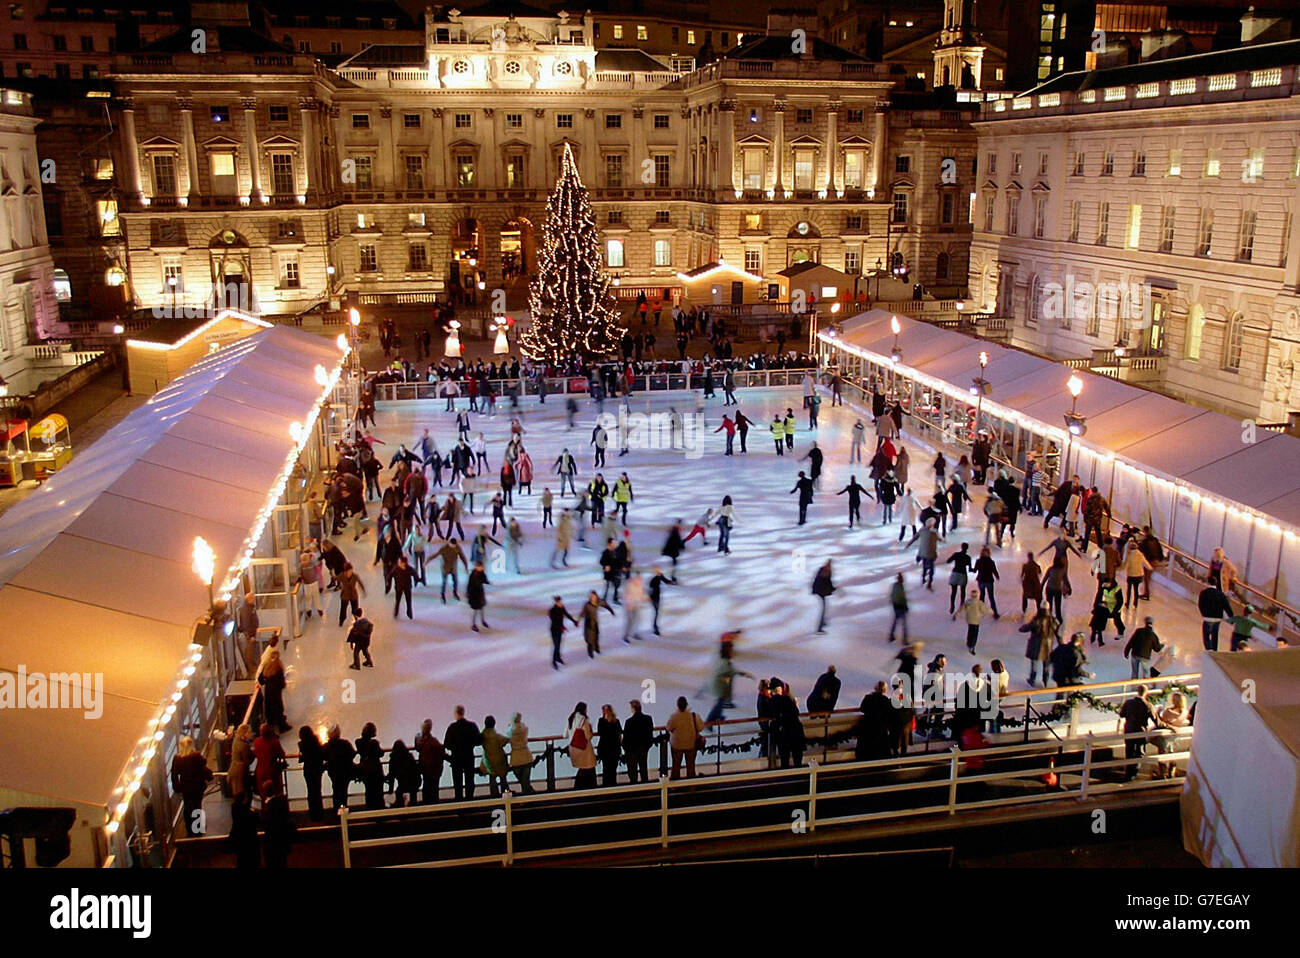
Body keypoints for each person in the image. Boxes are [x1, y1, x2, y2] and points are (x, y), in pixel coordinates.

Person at [171, 736, 214, 836]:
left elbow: (174, 774)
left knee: (187, 807)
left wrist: (177, 788)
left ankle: (189, 830)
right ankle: (198, 829)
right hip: (197, 787)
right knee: (197, 806)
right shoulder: (196, 756)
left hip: (185, 788)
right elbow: (203, 768)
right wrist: (209, 777)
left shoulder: (177, 758)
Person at [1117, 685, 1160, 781]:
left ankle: (1128, 772)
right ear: (1146, 693)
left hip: (1129, 729)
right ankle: (1134, 772)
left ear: (1137, 692)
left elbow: (1121, 714)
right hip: (1140, 730)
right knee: (1139, 752)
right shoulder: (1148, 705)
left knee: (1129, 751)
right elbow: (1156, 721)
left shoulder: (1128, 702)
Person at [444, 705, 482, 800]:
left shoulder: (452, 727)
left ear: (456, 714)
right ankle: (469, 800)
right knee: (469, 780)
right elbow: (478, 741)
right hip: (468, 757)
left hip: (456, 759)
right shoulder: (471, 726)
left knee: (458, 783)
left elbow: (447, 744)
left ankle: (459, 802)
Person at [666, 696, 705, 779]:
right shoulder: (693, 716)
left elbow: (668, 728)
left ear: (677, 705)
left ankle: (675, 785)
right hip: (691, 745)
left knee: (676, 766)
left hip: (677, 746)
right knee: (691, 766)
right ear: (687, 705)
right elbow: (701, 727)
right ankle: (691, 786)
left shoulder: (674, 716)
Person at [1019, 606, 1058, 687]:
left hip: (1036, 645)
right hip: (1048, 645)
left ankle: (1032, 680)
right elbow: (1057, 629)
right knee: (1046, 664)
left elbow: (1024, 629)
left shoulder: (1037, 620)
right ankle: (1045, 681)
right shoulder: (1053, 620)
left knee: (1035, 664)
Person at [772, 683, 806, 769]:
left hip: (786, 732)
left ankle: (786, 775)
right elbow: (796, 712)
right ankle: (798, 774)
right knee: (797, 756)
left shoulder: (776, 701)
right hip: (795, 731)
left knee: (785, 757)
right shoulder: (788, 700)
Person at [322, 724, 356, 811]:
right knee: (344, 791)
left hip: (333, 772)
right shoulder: (345, 743)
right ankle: (343, 808)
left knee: (336, 790)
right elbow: (352, 754)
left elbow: (323, 756)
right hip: (346, 771)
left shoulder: (326, 746)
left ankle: (337, 809)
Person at [414, 719, 446, 803]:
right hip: (435, 769)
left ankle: (426, 806)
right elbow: (442, 754)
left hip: (425, 769)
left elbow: (417, 747)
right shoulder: (434, 742)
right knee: (434, 789)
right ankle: (434, 806)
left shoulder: (419, 740)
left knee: (426, 788)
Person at [258, 649, 290, 734]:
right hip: (276, 692)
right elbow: (281, 682)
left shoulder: (266, 666)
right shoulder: (278, 668)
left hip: (268, 692)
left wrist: (266, 682)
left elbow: (260, 679)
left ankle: (270, 730)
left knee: (270, 710)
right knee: (278, 709)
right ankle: (282, 727)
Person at [354, 722, 385, 810]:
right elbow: (381, 753)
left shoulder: (358, 742)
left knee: (369, 791)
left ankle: (370, 809)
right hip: (376, 770)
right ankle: (379, 810)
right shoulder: (374, 743)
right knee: (378, 792)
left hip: (366, 770)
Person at [567, 702, 598, 788]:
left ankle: (579, 787)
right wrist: (591, 731)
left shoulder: (571, 718)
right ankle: (590, 787)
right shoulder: (583, 720)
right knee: (589, 768)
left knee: (582, 769)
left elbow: (564, 734)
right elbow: (588, 736)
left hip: (574, 748)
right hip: (584, 749)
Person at [623, 700, 654, 784]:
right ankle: (645, 787)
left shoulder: (629, 722)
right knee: (643, 768)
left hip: (632, 749)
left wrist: (625, 749)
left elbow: (626, 737)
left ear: (633, 709)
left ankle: (634, 788)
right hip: (644, 747)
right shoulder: (648, 719)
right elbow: (650, 732)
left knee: (633, 771)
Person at [480, 716, 511, 798]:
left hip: (489, 760)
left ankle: (494, 796)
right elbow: (505, 740)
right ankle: (506, 796)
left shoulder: (482, 736)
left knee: (492, 779)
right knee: (503, 778)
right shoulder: (496, 736)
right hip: (500, 759)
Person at [386, 739, 422, 807]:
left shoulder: (393, 759)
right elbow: (416, 769)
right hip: (414, 782)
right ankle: (413, 805)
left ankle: (400, 805)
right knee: (412, 792)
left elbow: (391, 775)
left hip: (403, 783)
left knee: (398, 792)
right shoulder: (409, 756)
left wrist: (390, 789)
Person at [1197, 582, 1233, 651]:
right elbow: (1226, 605)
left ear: (1208, 582)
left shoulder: (1204, 593)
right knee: (1215, 635)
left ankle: (1208, 649)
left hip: (1207, 618)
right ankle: (1214, 650)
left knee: (1206, 635)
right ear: (1216, 584)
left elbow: (1200, 604)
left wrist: (1203, 614)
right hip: (1217, 618)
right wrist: (1231, 616)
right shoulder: (1220, 594)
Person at [579, 590, 615, 657]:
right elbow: (583, 613)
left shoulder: (598, 602)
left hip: (595, 622)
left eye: (593, 596)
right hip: (588, 623)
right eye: (590, 596)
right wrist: (578, 620)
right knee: (590, 639)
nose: (592, 598)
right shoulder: (587, 605)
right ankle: (590, 653)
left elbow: (606, 605)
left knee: (596, 636)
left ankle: (596, 649)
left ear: (596, 596)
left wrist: (611, 611)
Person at [506, 713, 534, 793]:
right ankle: (528, 793)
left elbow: (507, 735)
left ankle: (528, 795)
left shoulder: (510, 730)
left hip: (516, 757)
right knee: (526, 779)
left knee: (521, 778)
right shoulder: (524, 728)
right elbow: (525, 729)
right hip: (526, 755)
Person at [596, 705, 623, 787]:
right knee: (613, 769)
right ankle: (613, 785)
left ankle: (606, 786)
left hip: (605, 748)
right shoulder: (616, 721)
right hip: (614, 748)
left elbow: (600, 732)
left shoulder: (601, 721)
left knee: (606, 768)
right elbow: (620, 733)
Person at [1121, 541, 1152, 611]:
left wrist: (1117, 569)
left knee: (1129, 590)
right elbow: (1145, 562)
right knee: (1136, 589)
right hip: (1139, 575)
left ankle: (1127, 603)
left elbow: (1125, 566)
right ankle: (1135, 603)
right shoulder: (1140, 554)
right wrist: (1150, 567)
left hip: (1131, 575)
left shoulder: (1129, 555)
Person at [435, 537, 468, 603]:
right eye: (452, 545)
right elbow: (435, 555)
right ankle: (442, 596)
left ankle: (455, 593)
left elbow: (462, 557)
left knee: (455, 581)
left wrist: (466, 566)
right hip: (445, 568)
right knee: (444, 582)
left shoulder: (457, 547)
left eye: (454, 545)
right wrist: (426, 562)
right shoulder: (444, 548)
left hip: (453, 568)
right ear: (449, 543)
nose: (453, 547)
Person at [959, 589, 991, 653]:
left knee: (970, 631)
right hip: (976, 620)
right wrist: (991, 612)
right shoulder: (979, 602)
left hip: (970, 619)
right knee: (975, 634)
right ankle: (972, 645)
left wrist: (957, 614)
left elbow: (962, 608)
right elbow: (985, 610)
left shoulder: (967, 602)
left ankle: (969, 643)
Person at [973, 546, 1001, 619]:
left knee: (982, 595)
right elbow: (994, 570)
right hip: (989, 580)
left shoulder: (978, 561)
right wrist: (997, 576)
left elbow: (975, 570)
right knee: (991, 597)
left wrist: (970, 569)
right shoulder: (991, 562)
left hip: (981, 580)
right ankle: (995, 613)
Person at [811, 560, 835, 633]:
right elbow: (826, 583)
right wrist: (832, 589)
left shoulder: (823, 570)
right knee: (823, 609)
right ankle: (819, 628)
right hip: (821, 592)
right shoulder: (826, 572)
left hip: (820, 592)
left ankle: (823, 622)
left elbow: (826, 583)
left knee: (825, 608)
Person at [467, 560, 490, 631]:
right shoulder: (473, 574)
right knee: (476, 610)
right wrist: (469, 595)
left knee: (481, 608)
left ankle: (482, 620)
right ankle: (473, 624)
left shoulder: (481, 573)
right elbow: (470, 586)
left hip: (480, 593)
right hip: (474, 595)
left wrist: (487, 581)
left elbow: (484, 580)